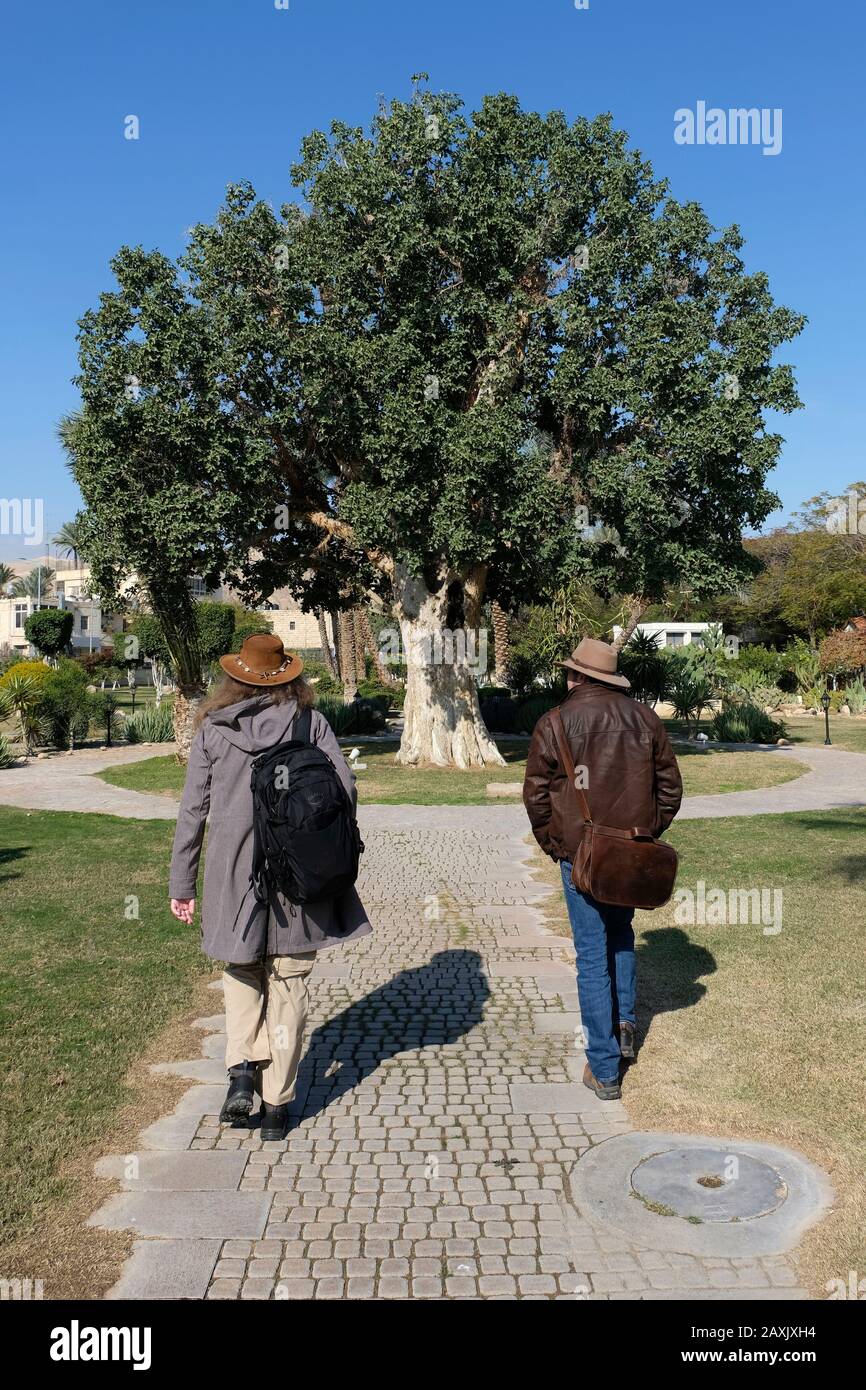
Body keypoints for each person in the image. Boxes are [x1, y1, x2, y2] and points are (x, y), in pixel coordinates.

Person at [169, 634, 371, 1140]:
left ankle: (241, 1068)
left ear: (233, 678)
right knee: (289, 982)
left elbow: (193, 810)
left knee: (241, 971)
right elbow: (344, 791)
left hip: (234, 871)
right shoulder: (309, 722)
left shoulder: (213, 730)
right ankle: (278, 1105)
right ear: (289, 676)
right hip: (299, 873)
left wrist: (182, 882)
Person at [522, 637, 682, 1100]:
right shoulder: (645, 718)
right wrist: (642, 835)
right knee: (621, 936)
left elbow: (536, 798)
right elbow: (669, 790)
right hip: (629, 855)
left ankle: (604, 1068)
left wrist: (559, 848)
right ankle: (624, 1025)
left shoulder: (555, 721)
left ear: (578, 677)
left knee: (593, 956)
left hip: (583, 859)